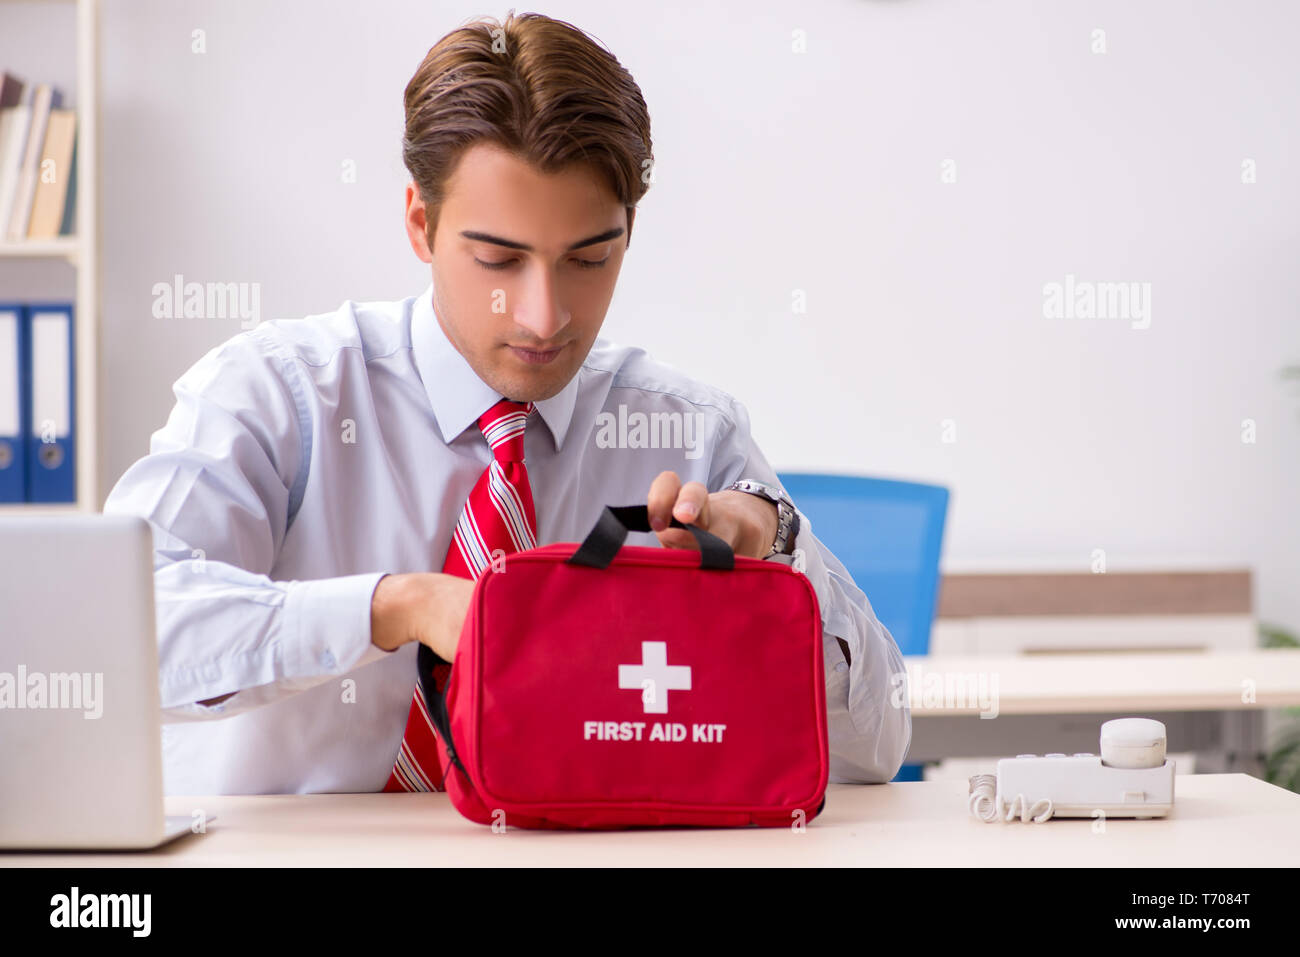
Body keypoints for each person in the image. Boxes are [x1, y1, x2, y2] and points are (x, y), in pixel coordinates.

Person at [103, 11, 910, 795]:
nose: (543, 315)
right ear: (421, 222)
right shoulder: (279, 394)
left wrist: (775, 542)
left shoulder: (686, 431)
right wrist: (394, 606)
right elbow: (118, 639)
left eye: (589, 258)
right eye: (498, 258)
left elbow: (876, 746)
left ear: (629, 230)